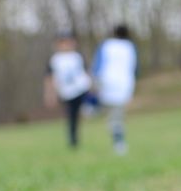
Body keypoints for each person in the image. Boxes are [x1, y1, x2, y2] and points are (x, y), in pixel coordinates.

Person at [92, 24, 137, 155]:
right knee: (117, 115)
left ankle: (117, 140)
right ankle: (119, 142)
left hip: (106, 82)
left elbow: (97, 65)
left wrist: (95, 82)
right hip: (123, 85)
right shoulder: (130, 47)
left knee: (113, 115)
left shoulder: (106, 45)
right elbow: (134, 67)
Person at [43, 32, 92, 149]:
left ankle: (89, 110)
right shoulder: (55, 60)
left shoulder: (77, 57)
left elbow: (86, 73)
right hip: (66, 92)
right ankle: (73, 141)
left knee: (87, 109)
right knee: (72, 116)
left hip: (81, 89)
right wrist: (50, 94)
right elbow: (49, 78)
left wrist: (91, 86)